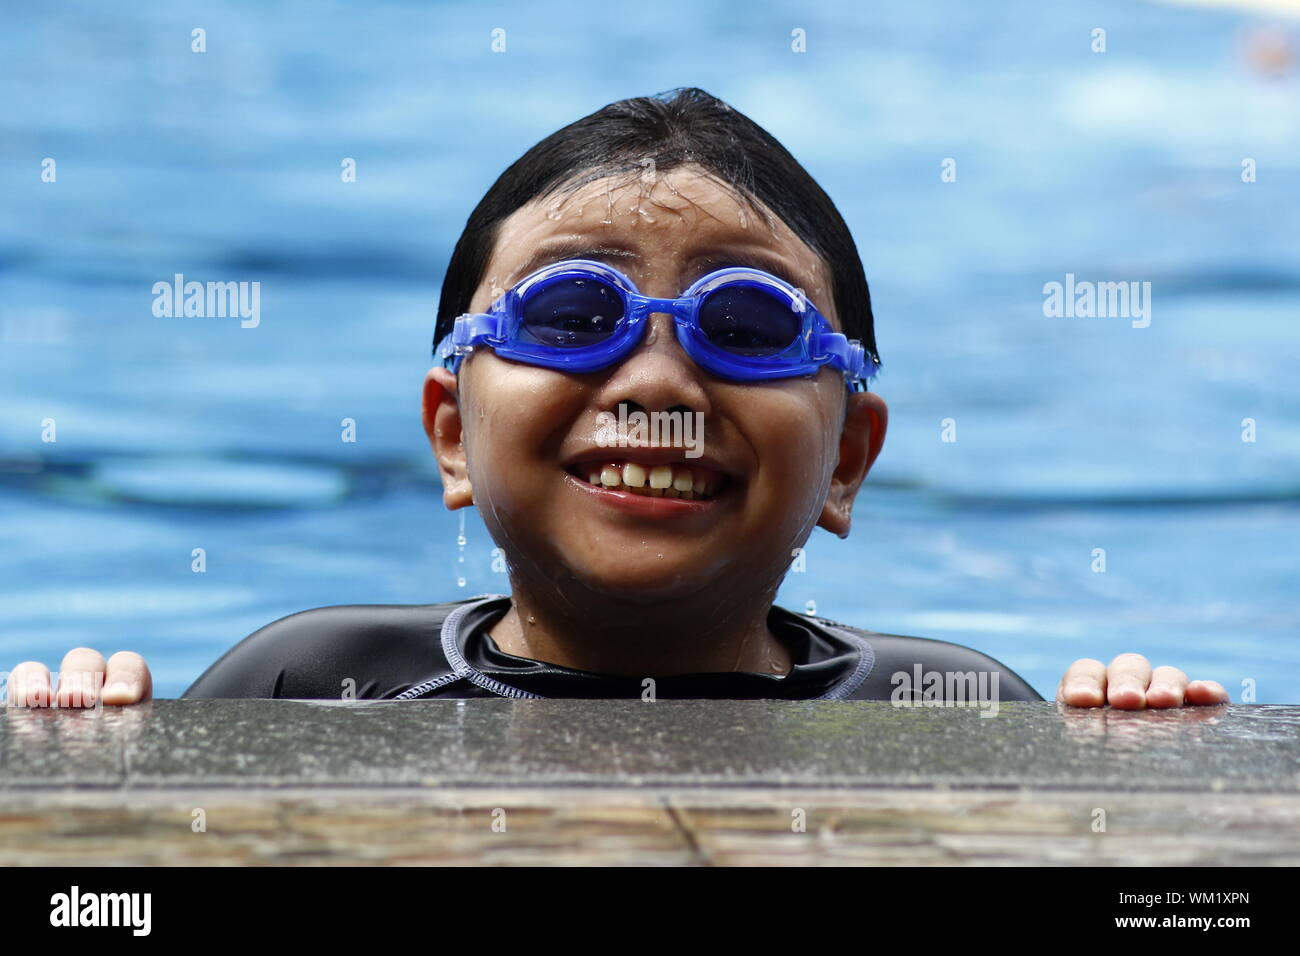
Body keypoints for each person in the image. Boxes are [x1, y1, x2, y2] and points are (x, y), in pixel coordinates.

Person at [6, 88, 1229, 709]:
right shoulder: (311, 683)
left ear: (848, 457)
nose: (654, 381)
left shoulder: (953, 707)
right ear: (450, 433)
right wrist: (84, 760)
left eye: (748, 326)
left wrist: (1139, 786)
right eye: (569, 317)